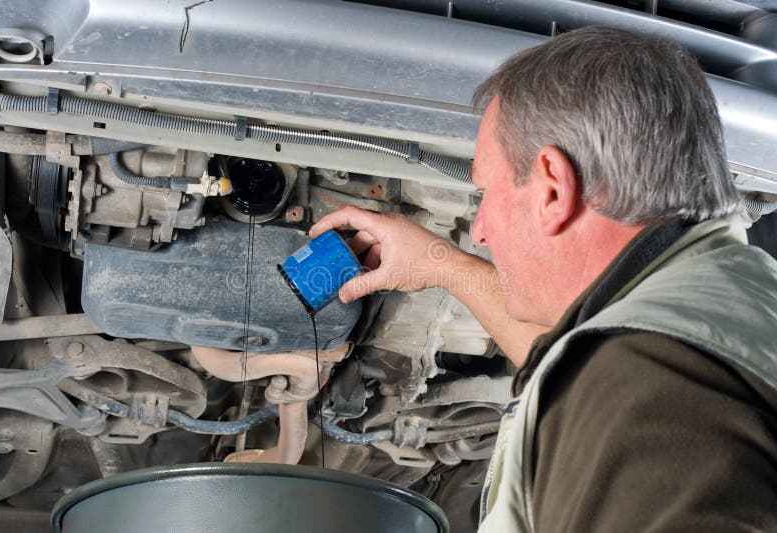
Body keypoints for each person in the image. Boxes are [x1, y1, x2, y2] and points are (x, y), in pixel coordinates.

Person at [310, 26, 777, 532]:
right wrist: (441, 263)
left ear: (554, 190)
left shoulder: (648, 386)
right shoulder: (714, 311)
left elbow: (623, 383)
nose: (482, 230)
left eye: (485, 192)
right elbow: (575, 356)